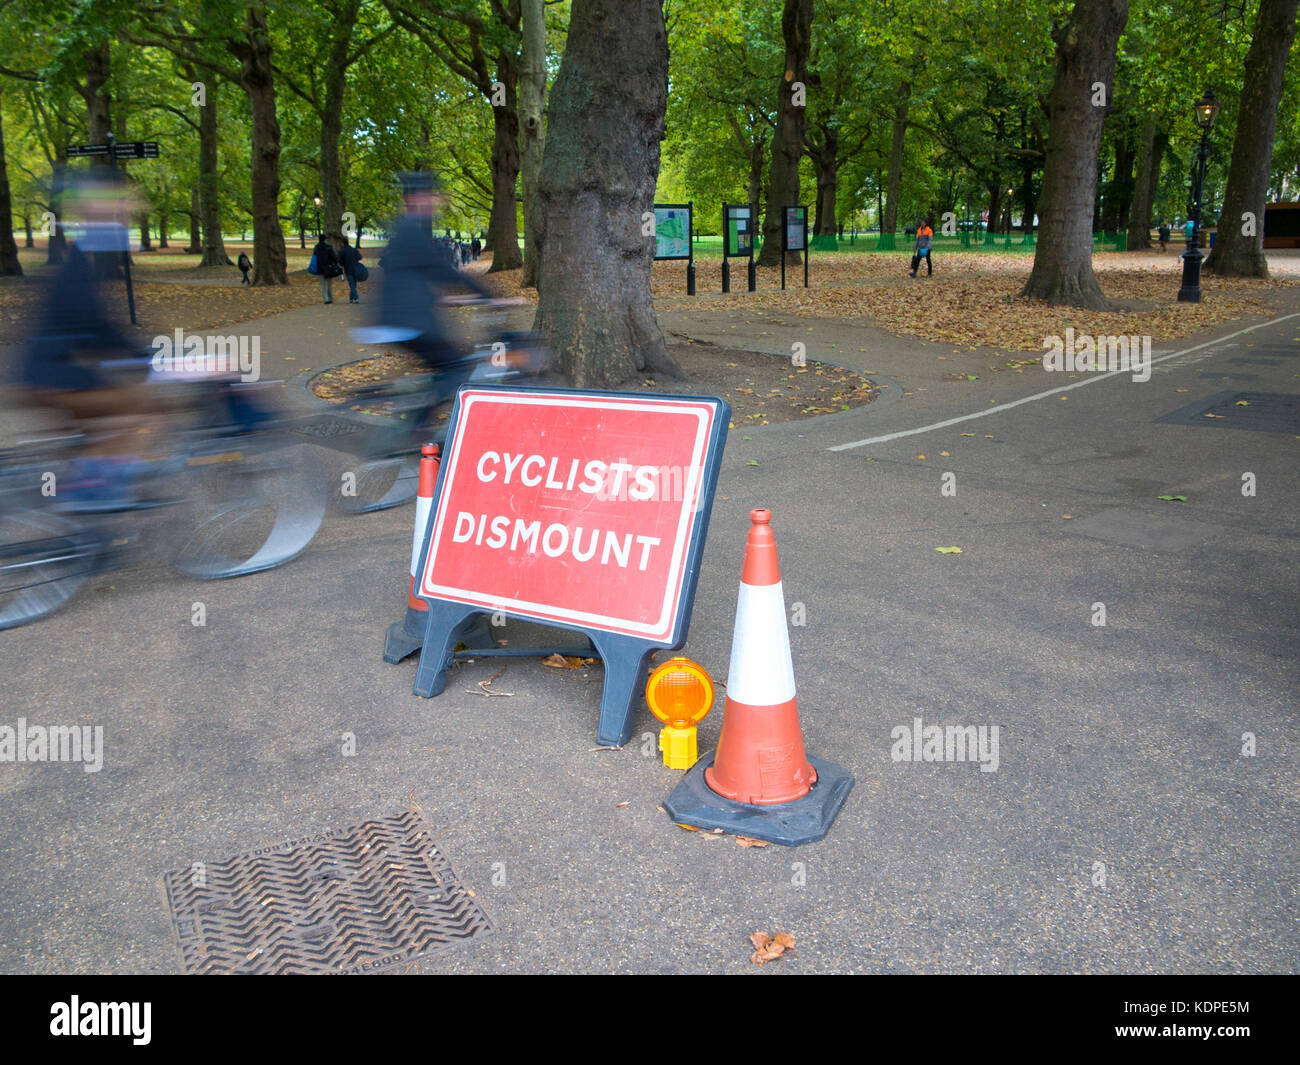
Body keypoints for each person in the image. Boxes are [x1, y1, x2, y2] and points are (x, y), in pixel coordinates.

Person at [368, 172, 496, 400]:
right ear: (412, 199)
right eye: (427, 196)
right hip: (409, 322)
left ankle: (421, 410)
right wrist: (489, 294)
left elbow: (414, 273)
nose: (433, 201)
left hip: (399, 317)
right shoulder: (411, 232)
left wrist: (446, 298)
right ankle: (418, 426)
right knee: (457, 368)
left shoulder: (405, 230)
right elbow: (443, 272)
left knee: (444, 366)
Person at [312, 235, 341, 304]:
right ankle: (330, 297)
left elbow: (314, 257)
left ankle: (326, 299)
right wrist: (336, 262)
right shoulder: (328, 247)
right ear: (325, 239)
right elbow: (334, 257)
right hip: (328, 268)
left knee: (323, 285)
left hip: (319, 268)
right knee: (329, 284)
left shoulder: (316, 247)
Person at [338, 236, 363, 304]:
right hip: (355, 268)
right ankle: (351, 298)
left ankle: (355, 298)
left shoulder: (341, 251)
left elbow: (340, 262)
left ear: (342, 243)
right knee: (353, 284)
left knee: (352, 284)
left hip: (348, 269)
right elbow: (360, 257)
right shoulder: (353, 249)